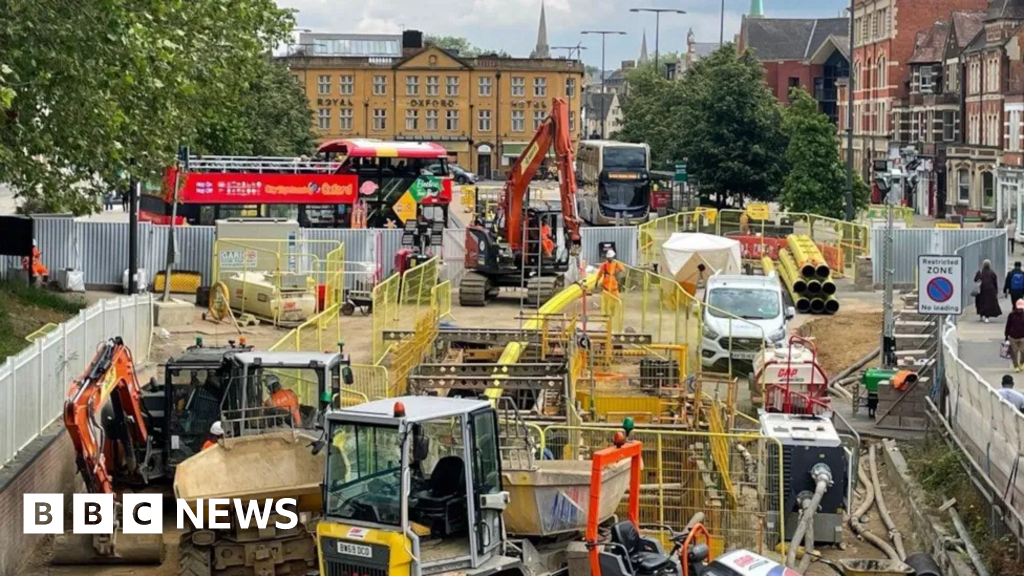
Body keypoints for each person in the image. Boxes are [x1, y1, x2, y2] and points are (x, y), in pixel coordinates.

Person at [1006, 300, 1024, 371]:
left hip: (1021, 336)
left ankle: (1021, 363)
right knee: (1014, 352)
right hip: (1013, 336)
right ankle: (1016, 365)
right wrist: (1006, 336)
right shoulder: (1011, 315)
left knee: (1022, 351)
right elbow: (1008, 325)